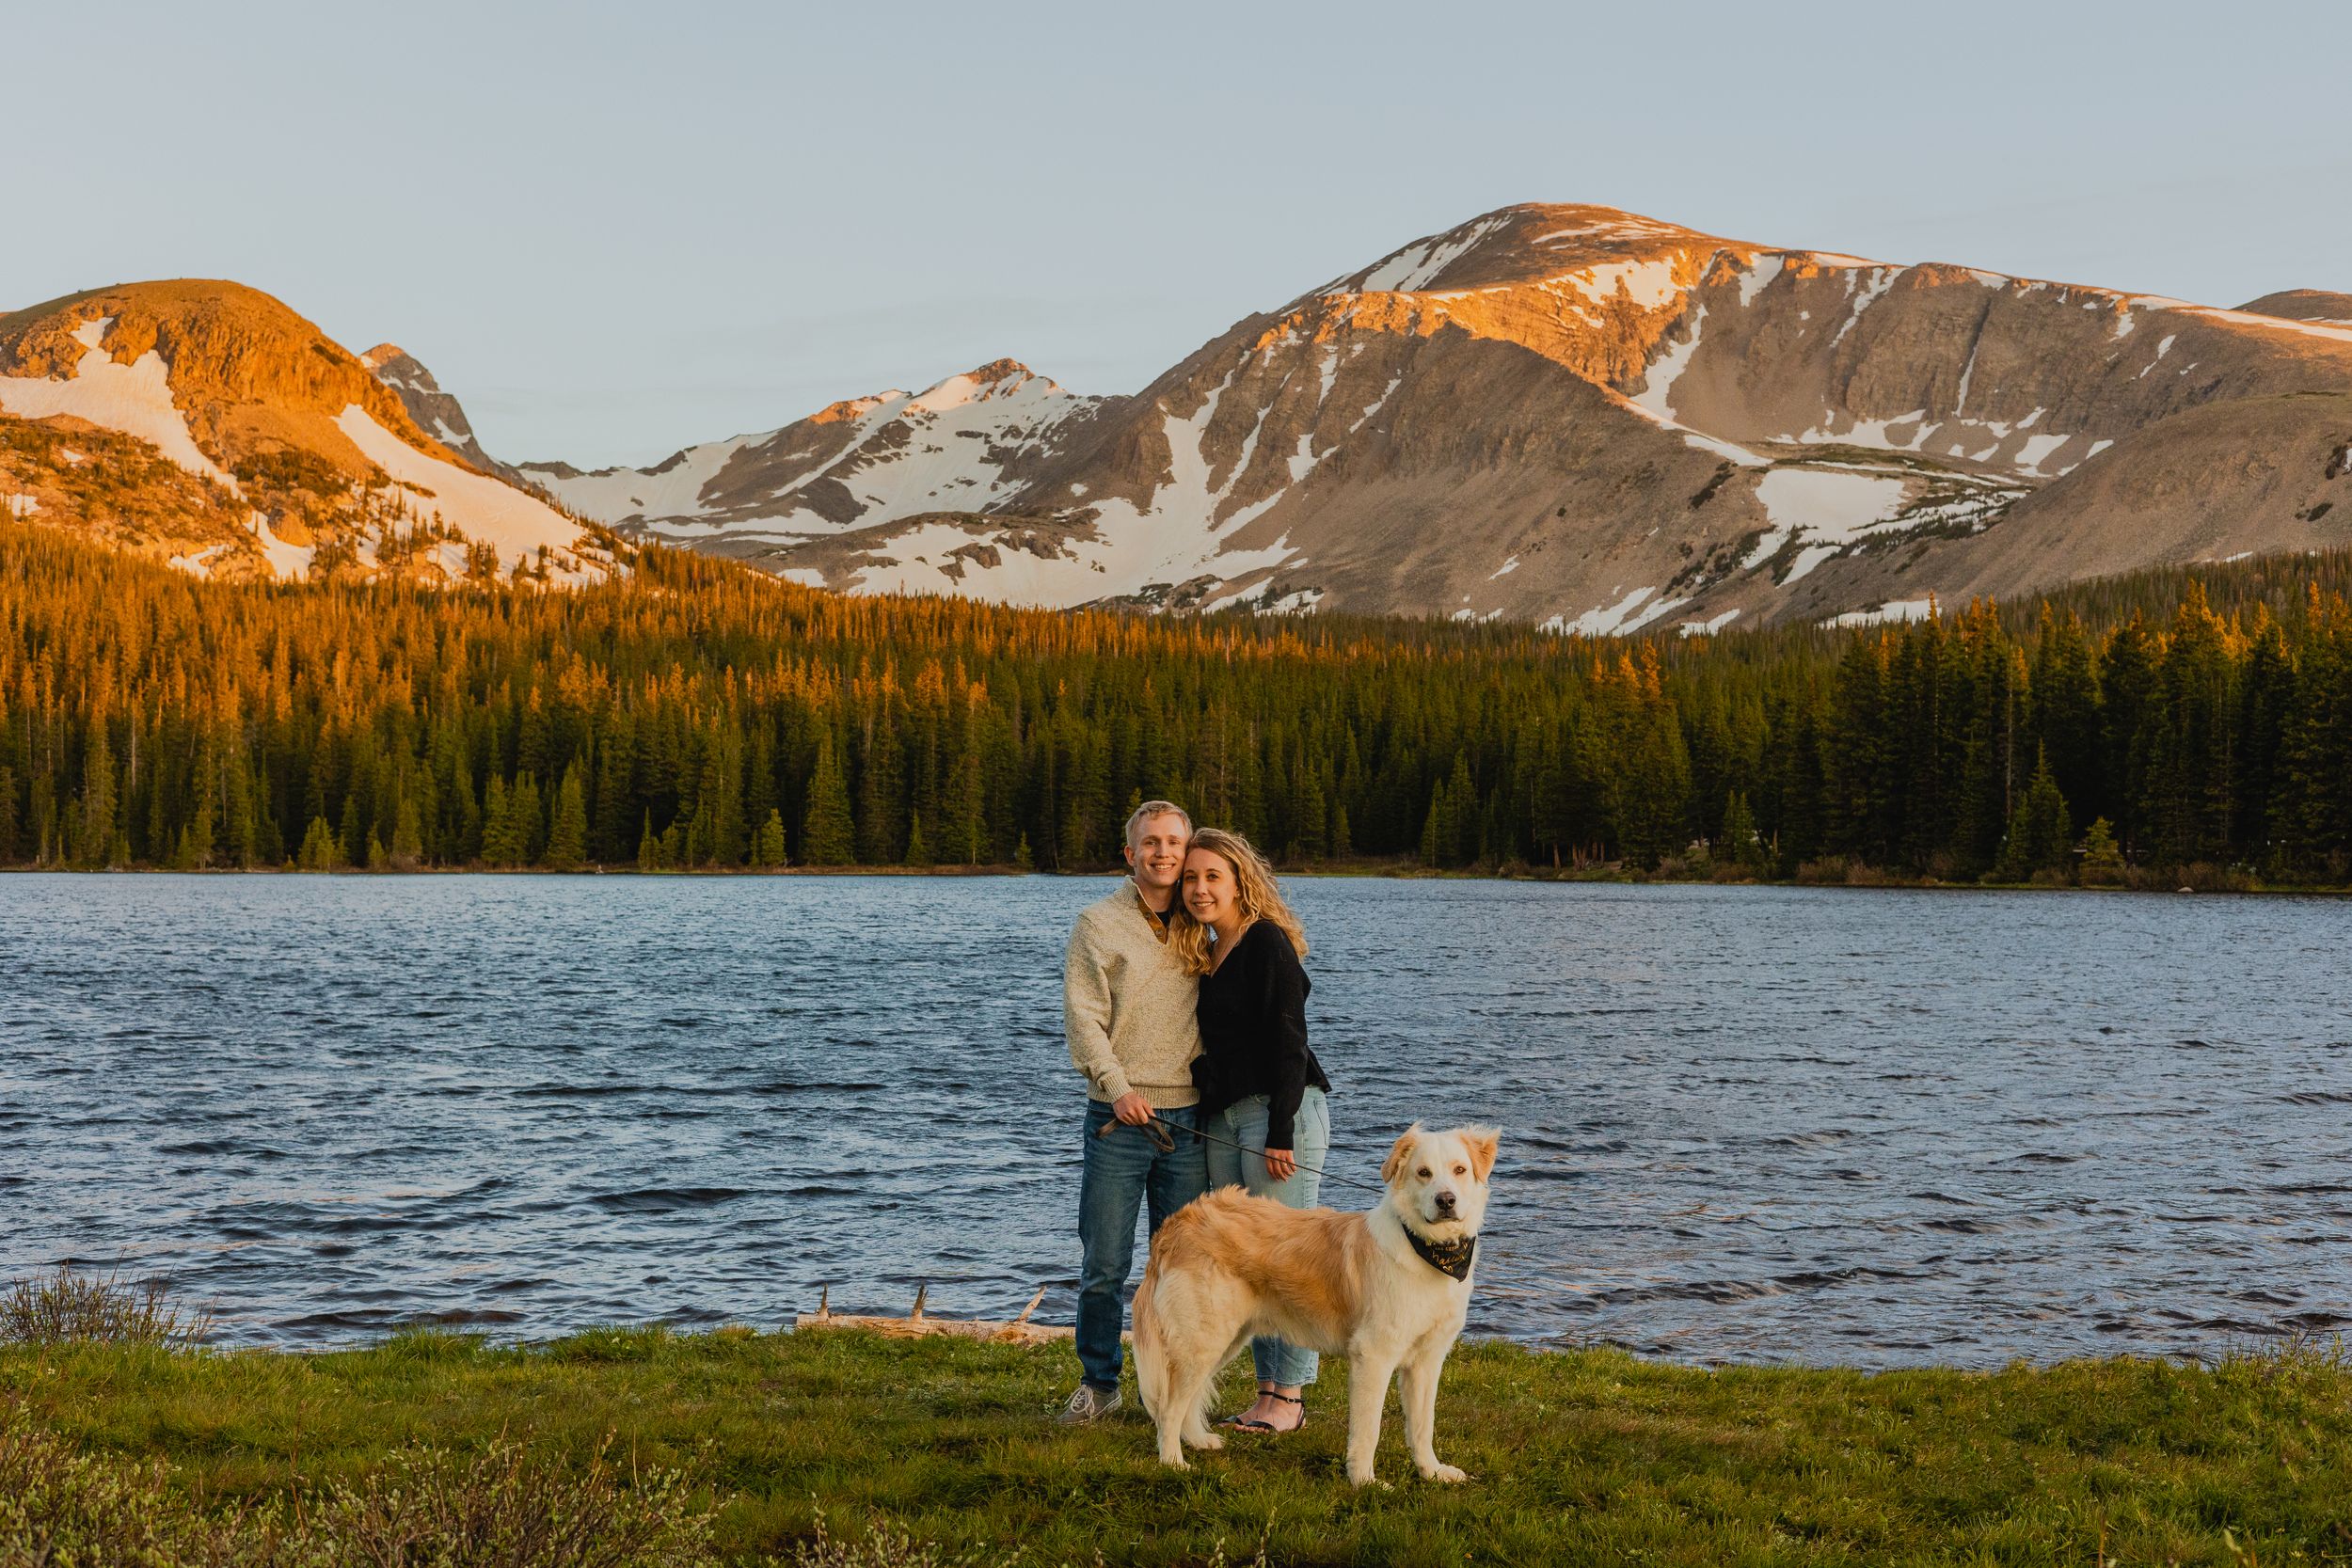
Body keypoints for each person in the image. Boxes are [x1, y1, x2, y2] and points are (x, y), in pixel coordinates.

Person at [1169, 826, 1331, 1435]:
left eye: (1213, 875)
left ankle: (1288, 1396)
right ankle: (1266, 1391)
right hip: (1227, 1119)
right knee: (1246, 1261)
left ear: (1241, 880)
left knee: (1288, 1259)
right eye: (1191, 877)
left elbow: (1290, 1041)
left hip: (1277, 1113)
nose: (1200, 887)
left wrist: (1282, 1130)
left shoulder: (1266, 942)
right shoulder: (1208, 950)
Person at [1059, 800, 1209, 1423]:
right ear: (1130, 853)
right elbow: (1083, 1020)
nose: (1164, 852)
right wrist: (1116, 1085)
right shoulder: (1097, 923)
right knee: (1105, 1264)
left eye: (1175, 841)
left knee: (1179, 1266)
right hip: (1117, 1119)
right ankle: (1100, 1381)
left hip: (1188, 1122)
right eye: (1151, 841)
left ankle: (1169, 1389)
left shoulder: (1204, 920)